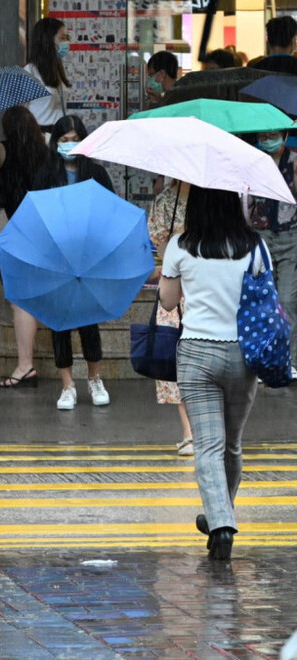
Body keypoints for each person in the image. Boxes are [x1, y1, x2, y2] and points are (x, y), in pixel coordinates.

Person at [159, 186, 267, 561]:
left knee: (208, 445)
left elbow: (169, 302)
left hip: (197, 355)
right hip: (243, 354)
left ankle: (221, 524)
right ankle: (223, 515)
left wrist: (168, 261)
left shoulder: (181, 244)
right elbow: (264, 299)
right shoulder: (255, 245)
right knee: (232, 444)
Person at [40, 115, 112, 410]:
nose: (69, 144)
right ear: (54, 142)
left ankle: (95, 379)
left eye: (74, 138)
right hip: (56, 258)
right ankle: (67, 384)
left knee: (88, 321)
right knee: (59, 324)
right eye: (63, 139)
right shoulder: (46, 174)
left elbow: (109, 212)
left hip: (89, 257)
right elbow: (36, 212)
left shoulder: (96, 173)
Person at [0, 106, 52, 388]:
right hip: (44, 229)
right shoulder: (46, 150)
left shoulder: (0, 149)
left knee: (20, 300)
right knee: (30, 295)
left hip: (15, 229)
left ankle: (25, 365)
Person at [148, 179, 195, 456]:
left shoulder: (216, 199)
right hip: (179, 289)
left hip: (203, 288)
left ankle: (197, 433)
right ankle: (189, 432)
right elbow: (163, 253)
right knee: (176, 359)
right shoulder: (165, 201)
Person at [248, 130, 297, 378]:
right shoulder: (255, 162)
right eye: (264, 135)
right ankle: (265, 360)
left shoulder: (294, 161)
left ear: (284, 135)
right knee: (264, 300)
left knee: (287, 300)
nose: (268, 139)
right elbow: (248, 200)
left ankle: (289, 360)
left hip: (290, 235)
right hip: (262, 234)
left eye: (273, 135)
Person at [25, 18, 71, 132]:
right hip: (40, 132)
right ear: (47, 40)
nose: (66, 43)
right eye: (62, 38)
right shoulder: (29, 72)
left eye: (67, 38)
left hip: (60, 131)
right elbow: (20, 113)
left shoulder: (57, 69)